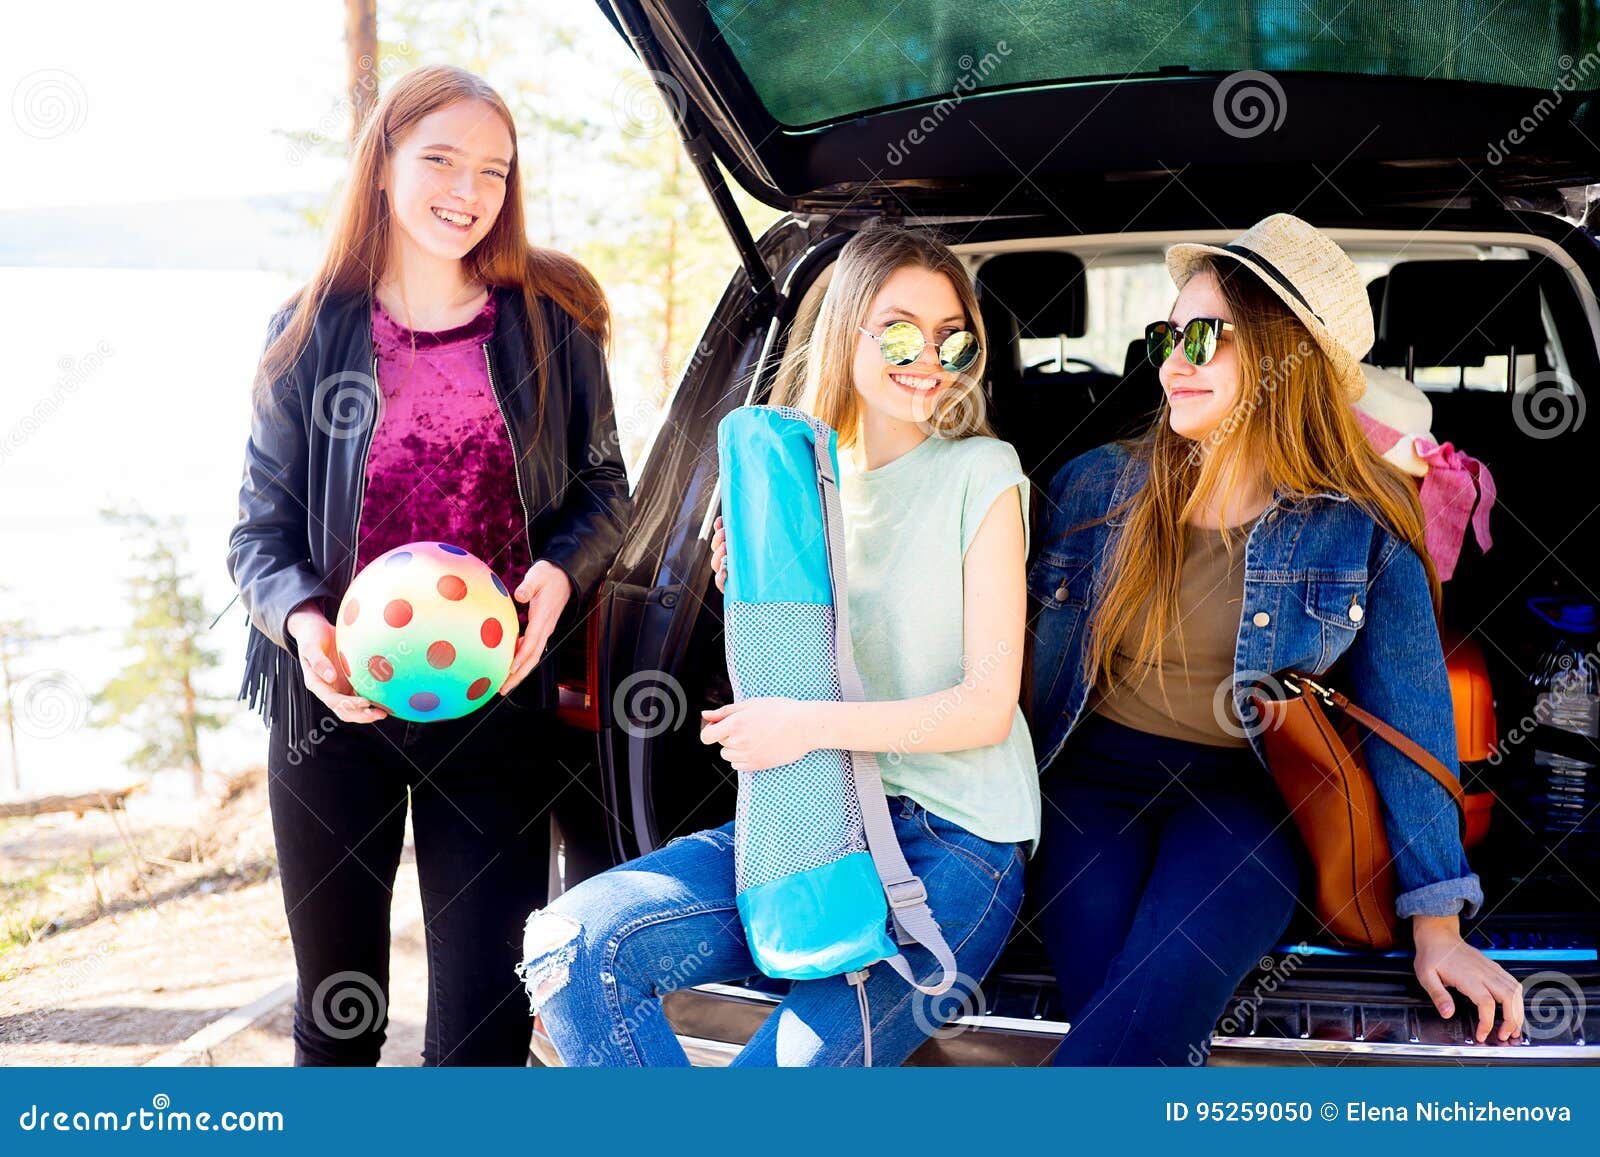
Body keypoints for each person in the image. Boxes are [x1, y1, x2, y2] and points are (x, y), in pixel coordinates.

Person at [516, 223, 1037, 1066]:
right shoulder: (792, 479)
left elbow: (984, 709)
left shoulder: (982, 470)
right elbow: (798, 665)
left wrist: (804, 724)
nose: (928, 356)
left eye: (954, 338)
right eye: (900, 330)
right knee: (571, 945)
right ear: (847, 330)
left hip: (954, 839)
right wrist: (743, 591)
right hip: (812, 816)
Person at [1027, 213, 1525, 1065]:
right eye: (1167, 335)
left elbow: (1412, 723)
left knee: (1158, 994)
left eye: (1205, 335)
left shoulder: (1364, 523)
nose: (1174, 362)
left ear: (1283, 358)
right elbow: (958, 614)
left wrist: (1437, 925)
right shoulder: (1091, 486)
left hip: (1248, 794)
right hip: (1088, 781)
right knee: (1120, 1013)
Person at [227, 65, 629, 1065]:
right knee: (338, 1014)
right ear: (382, 165)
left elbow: (604, 493)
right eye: (441, 159)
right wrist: (307, 629)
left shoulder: (549, 322)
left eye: (493, 170)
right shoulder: (307, 329)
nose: (468, 190)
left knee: (485, 1028)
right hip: (335, 717)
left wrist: (558, 575)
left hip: (496, 710)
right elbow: (255, 537)